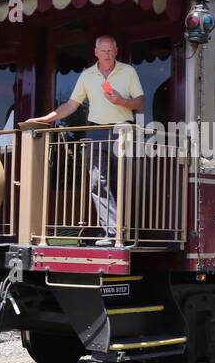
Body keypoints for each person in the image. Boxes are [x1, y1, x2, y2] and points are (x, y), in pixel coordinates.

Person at [23, 35, 143, 245]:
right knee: (98, 181)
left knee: (122, 181)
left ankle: (126, 232)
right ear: (95, 52)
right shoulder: (88, 75)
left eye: (110, 50)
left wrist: (121, 100)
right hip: (95, 131)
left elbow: (140, 102)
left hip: (122, 130)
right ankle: (112, 232)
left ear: (116, 51)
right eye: (102, 50)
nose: (106, 54)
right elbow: (71, 105)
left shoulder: (128, 71)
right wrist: (44, 119)